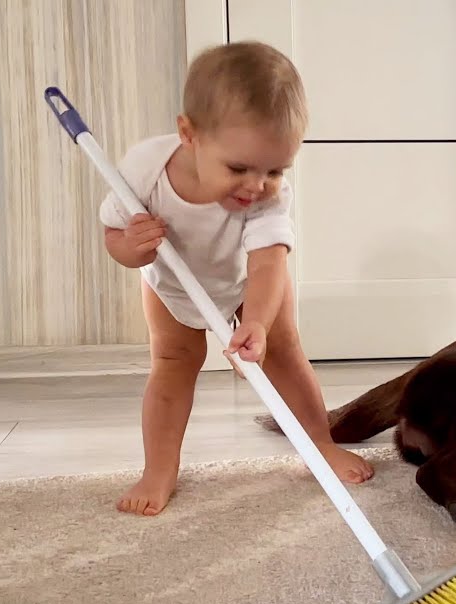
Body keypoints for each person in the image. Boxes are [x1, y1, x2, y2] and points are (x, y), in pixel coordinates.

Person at [98, 41, 374, 516]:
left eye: (275, 170)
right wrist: (131, 247)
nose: (257, 185)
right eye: (239, 168)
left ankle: (319, 444)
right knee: (172, 364)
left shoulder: (267, 194)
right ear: (189, 134)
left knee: (284, 352)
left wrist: (258, 323)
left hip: (250, 280)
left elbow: (268, 261)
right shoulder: (145, 169)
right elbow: (112, 235)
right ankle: (159, 469)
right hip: (171, 284)